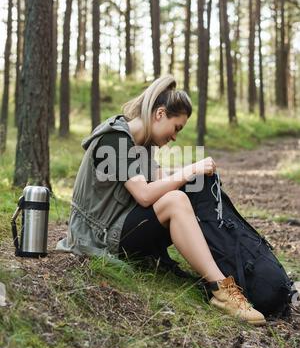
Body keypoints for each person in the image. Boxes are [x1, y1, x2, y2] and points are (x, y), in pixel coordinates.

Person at [57, 75, 266, 326]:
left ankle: (234, 267)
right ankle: (221, 290)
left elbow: (162, 183)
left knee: (185, 193)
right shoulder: (114, 139)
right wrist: (189, 170)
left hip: (117, 226)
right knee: (176, 200)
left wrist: (193, 176)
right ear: (159, 114)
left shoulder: (143, 145)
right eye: (176, 127)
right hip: (96, 236)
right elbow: (145, 195)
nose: (175, 137)